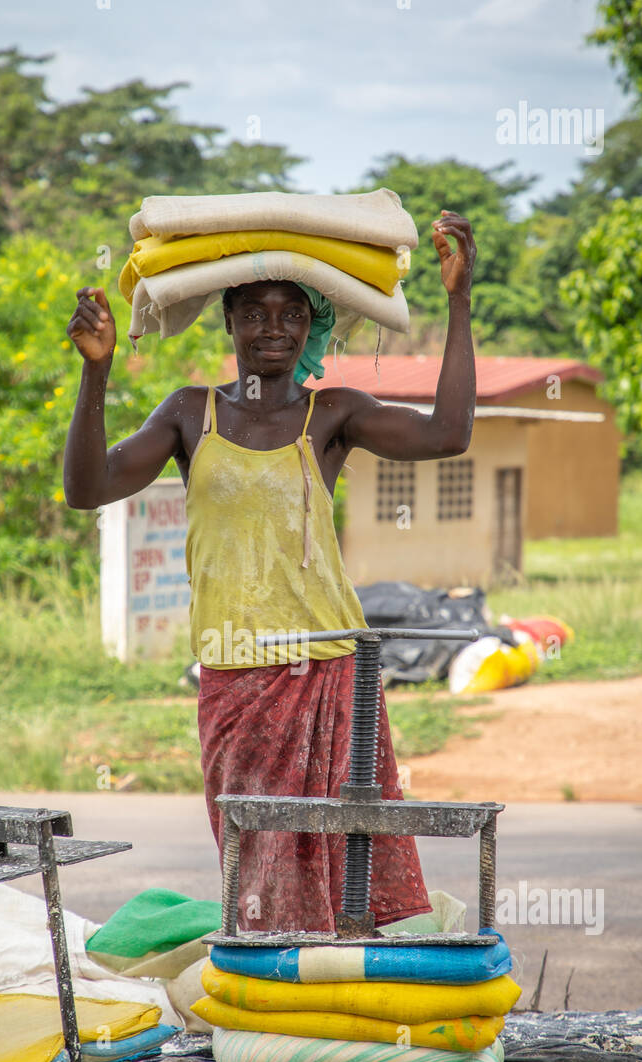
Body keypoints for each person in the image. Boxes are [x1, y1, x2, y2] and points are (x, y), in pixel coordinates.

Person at [64, 210, 477, 933]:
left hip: (330, 668)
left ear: (309, 326)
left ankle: (341, 988)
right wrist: (94, 374)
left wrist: (458, 301)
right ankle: (275, 989)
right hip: (236, 675)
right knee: (253, 858)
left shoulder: (333, 415)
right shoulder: (190, 415)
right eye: (253, 314)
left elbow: (447, 433)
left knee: (352, 854)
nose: (272, 329)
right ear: (228, 323)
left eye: (290, 315)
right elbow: (87, 488)